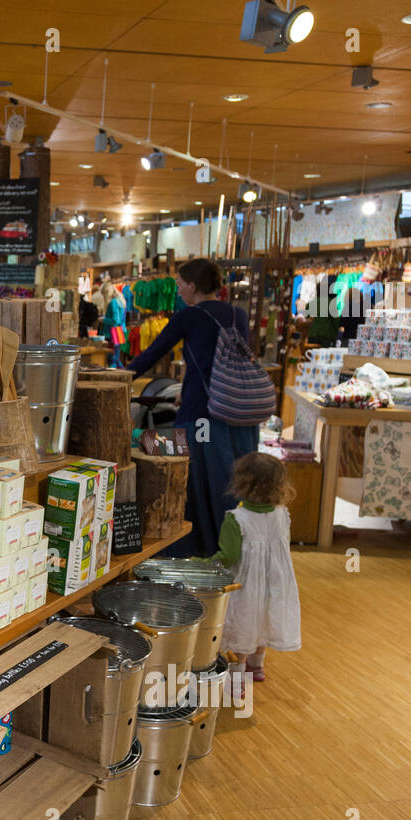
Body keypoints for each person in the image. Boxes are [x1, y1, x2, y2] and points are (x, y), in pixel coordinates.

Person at [124, 258, 259, 557]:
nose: (178, 289)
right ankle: (233, 547)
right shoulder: (237, 314)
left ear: (193, 286)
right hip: (237, 412)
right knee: (230, 479)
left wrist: (120, 376)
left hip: (203, 414)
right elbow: (220, 362)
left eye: (181, 284)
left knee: (193, 477)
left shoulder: (189, 316)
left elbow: (152, 353)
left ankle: (198, 547)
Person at [208, 453, 301, 687]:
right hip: (276, 582)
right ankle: (256, 666)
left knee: (243, 628)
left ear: (242, 483)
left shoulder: (236, 519)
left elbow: (228, 557)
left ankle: (236, 681)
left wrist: (204, 564)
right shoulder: (282, 513)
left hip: (246, 587)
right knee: (263, 622)